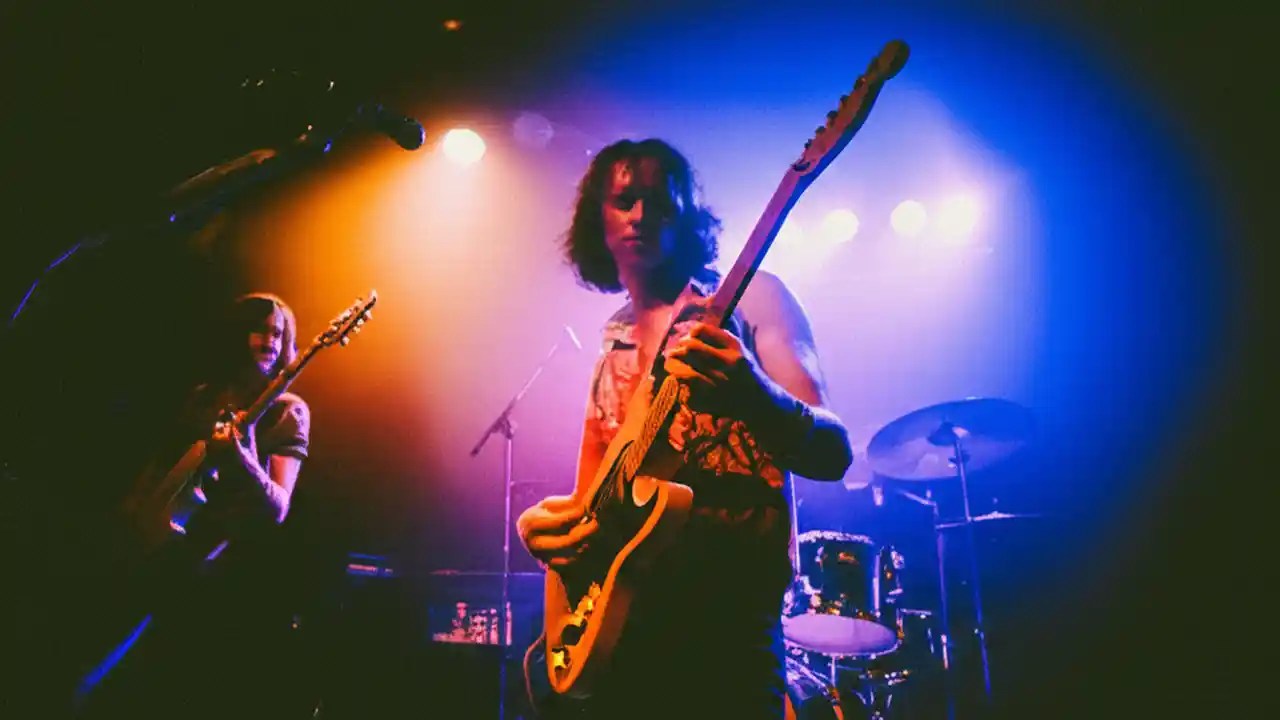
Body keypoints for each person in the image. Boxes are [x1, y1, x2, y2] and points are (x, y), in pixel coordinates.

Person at [517, 138, 853, 719]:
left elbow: (833, 451)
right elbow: (588, 503)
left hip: (728, 622)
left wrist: (754, 393)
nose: (641, 215)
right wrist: (543, 532)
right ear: (597, 219)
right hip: (626, 629)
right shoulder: (611, 343)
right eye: (625, 200)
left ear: (688, 217)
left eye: (660, 201)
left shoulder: (753, 298)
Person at [75, 292, 311, 719]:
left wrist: (242, 457)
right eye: (259, 329)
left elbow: (278, 507)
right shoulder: (204, 397)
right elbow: (160, 466)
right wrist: (130, 516)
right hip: (156, 553)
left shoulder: (288, 411)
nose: (269, 341)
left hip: (222, 575)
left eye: (278, 333)